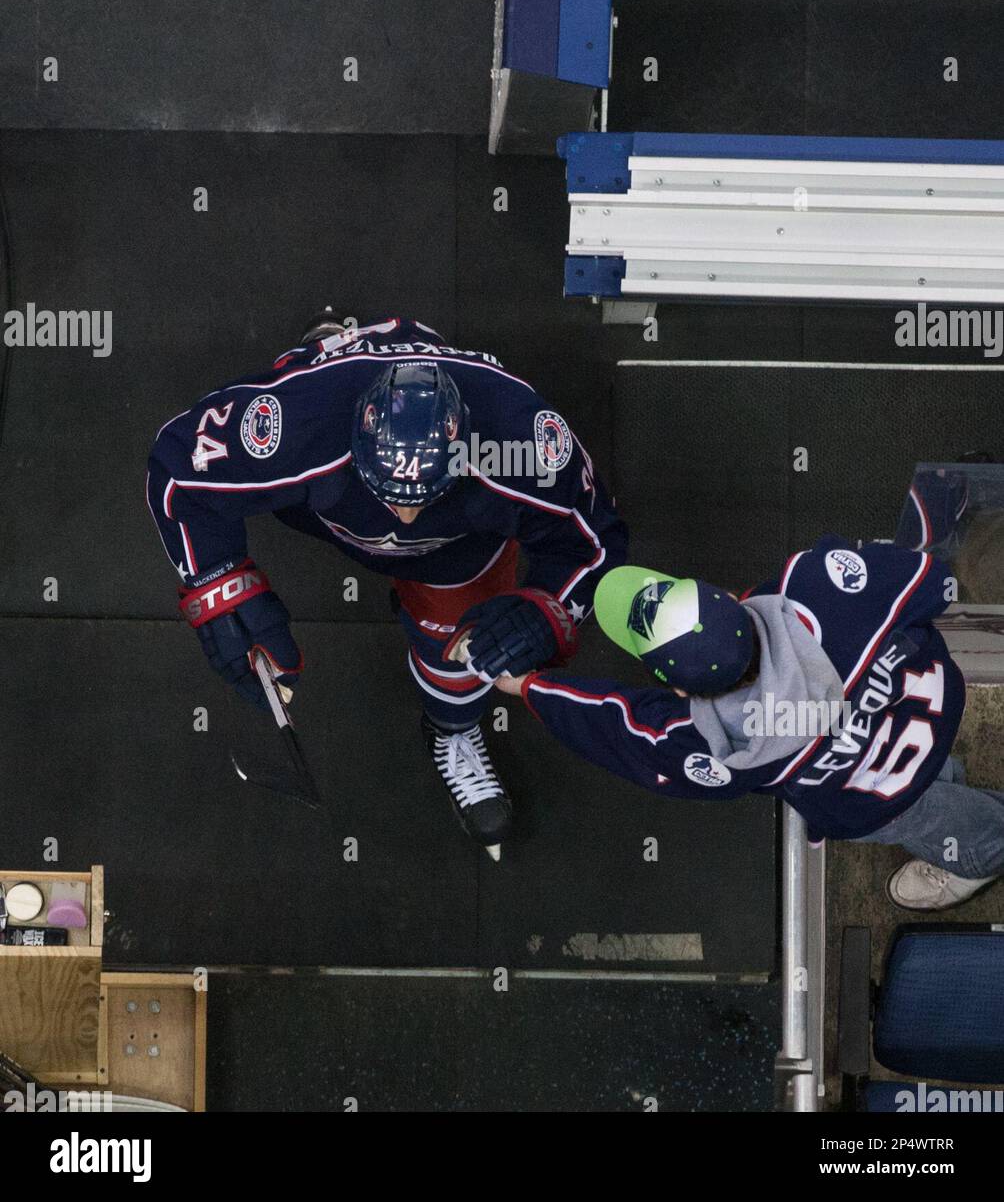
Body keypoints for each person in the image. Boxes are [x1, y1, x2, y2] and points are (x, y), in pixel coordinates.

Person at [147, 315, 626, 854]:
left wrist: (547, 610)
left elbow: (595, 543)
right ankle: (333, 348)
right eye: (390, 494)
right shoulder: (297, 421)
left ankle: (452, 729)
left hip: (460, 549)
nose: (404, 516)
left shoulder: (526, 442)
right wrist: (221, 589)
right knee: (293, 418)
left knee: (473, 652)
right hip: (327, 491)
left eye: (422, 495)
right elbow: (177, 471)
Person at [496, 536, 1004, 909]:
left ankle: (982, 854)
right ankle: (949, 782)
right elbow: (936, 582)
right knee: (936, 779)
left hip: (879, 795)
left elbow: (618, 729)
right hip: (932, 707)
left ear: (679, 690)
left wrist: (529, 686)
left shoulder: (717, 749)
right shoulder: (817, 580)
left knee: (934, 818)